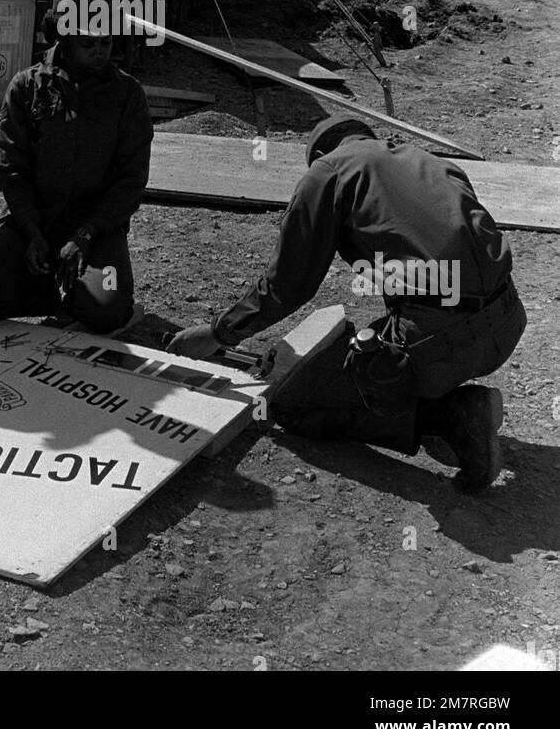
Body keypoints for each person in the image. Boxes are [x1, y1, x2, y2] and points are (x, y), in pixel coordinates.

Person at [169, 115, 526, 491]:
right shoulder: (429, 161)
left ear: (322, 153)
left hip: (444, 339)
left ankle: (451, 417)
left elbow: (288, 285)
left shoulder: (329, 171)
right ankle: (436, 400)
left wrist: (218, 333)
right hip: (506, 323)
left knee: (294, 402)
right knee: (376, 346)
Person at [0, 0, 154, 334]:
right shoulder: (26, 86)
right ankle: (48, 283)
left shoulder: (128, 95)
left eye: (106, 42)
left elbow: (131, 180)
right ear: (62, 37)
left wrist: (85, 234)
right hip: (34, 223)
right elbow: (12, 168)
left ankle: (79, 288)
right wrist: (31, 230)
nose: (99, 52)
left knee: (107, 311)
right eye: (87, 43)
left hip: (96, 230)